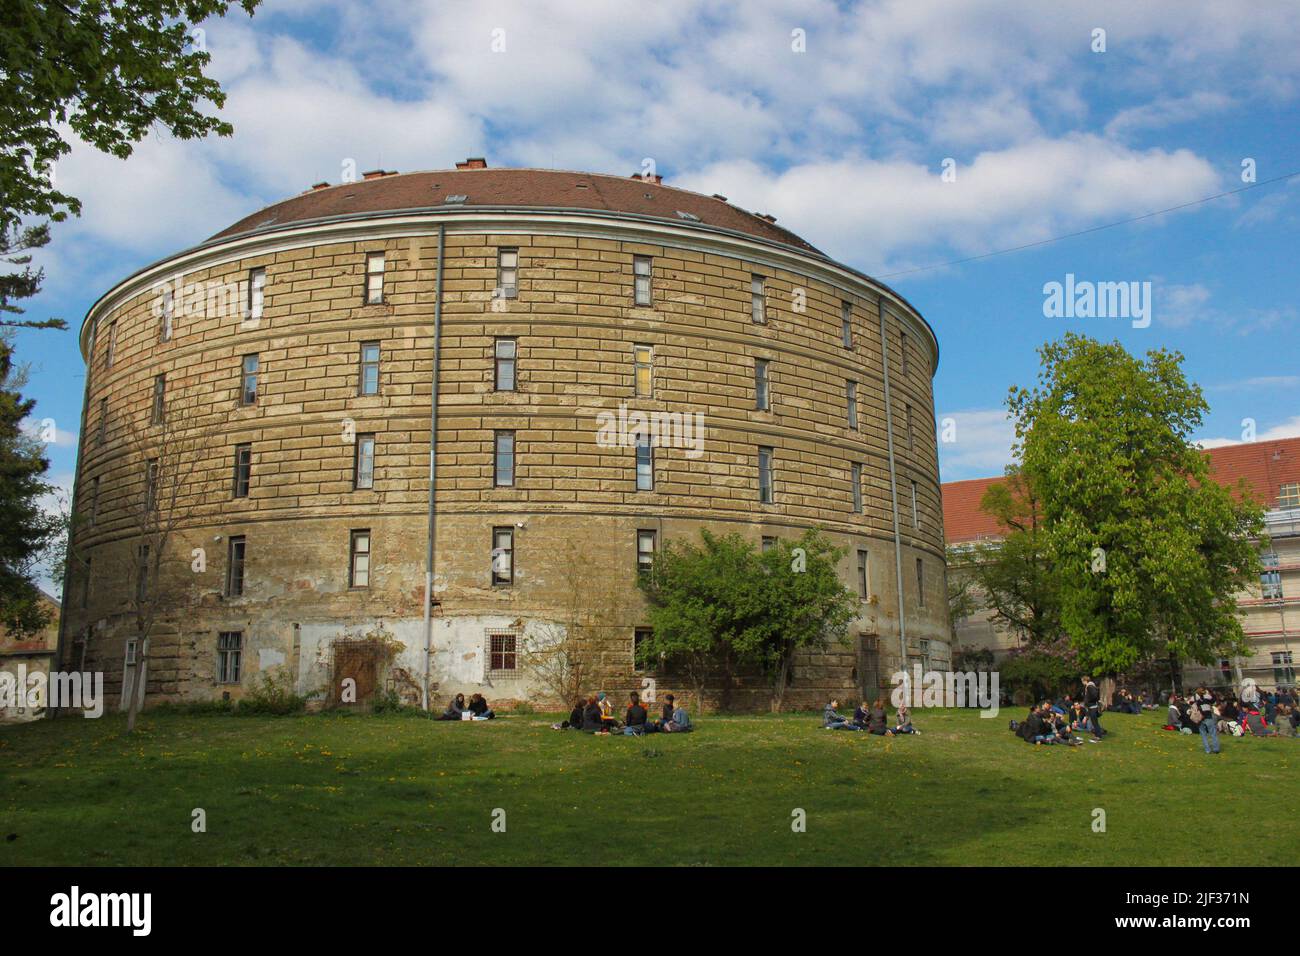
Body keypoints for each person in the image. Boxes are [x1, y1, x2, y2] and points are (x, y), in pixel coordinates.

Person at [1192, 685, 1219, 755]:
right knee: (1213, 733)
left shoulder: (1194, 698)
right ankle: (1216, 749)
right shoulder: (1207, 698)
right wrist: (1210, 693)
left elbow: (1190, 703)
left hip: (1199, 718)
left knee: (1203, 735)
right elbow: (1214, 701)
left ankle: (1207, 750)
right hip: (1208, 717)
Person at [1082, 676, 1104, 741]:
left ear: (1085, 680)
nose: (1082, 682)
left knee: (1095, 723)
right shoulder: (1092, 686)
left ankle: (1098, 736)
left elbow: (1094, 695)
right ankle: (1097, 734)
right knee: (1094, 722)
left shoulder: (1089, 686)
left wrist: (1089, 700)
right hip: (1092, 707)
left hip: (1092, 707)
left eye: (1082, 681)